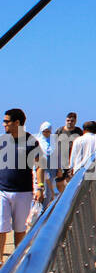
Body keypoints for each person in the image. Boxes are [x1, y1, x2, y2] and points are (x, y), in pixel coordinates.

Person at [0, 109, 45, 260]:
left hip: (23, 192)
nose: (4, 124)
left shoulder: (31, 142)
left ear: (17, 123)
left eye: (7, 121)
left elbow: (39, 166)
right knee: (1, 228)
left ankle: (17, 261)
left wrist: (40, 187)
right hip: (2, 190)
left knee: (20, 229)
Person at [52, 112, 82, 193]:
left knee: (70, 182)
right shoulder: (60, 130)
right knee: (59, 181)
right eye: (68, 120)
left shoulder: (78, 131)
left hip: (72, 162)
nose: (69, 122)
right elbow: (53, 145)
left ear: (75, 121)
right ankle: (61, 196)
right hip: (61, 162)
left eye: (72, 121)